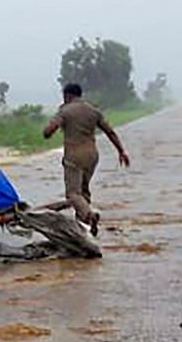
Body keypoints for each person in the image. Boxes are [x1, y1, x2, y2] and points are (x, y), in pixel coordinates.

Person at [42, 84, 130, 235]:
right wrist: (121, 151)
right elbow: (110, 132)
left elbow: (48, 132)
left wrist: (51, 126)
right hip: (92, 155)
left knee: (73, 194)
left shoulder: (65, 110)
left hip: (74, 156)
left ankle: (89, 215)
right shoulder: (93, 110)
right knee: (83, 192)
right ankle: (83, 229)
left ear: (67, 96)